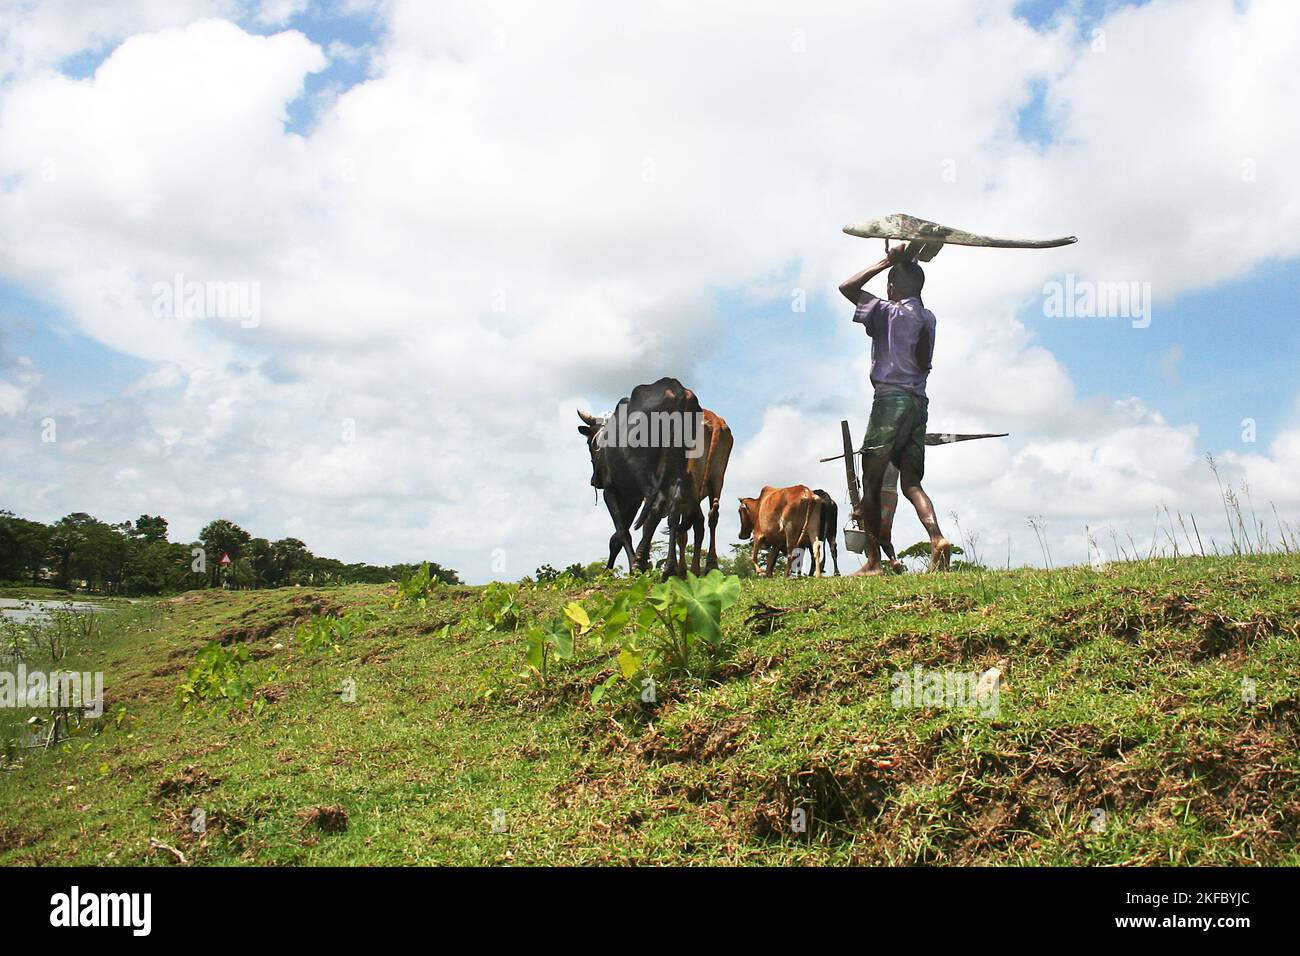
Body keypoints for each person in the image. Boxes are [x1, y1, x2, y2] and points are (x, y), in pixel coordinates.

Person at [838, 244, 952, 575]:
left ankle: (873, 561)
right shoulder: (928, 318)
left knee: (871, 484)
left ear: (892, 287)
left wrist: (887, 260)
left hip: (890, 402)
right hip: (919, 404)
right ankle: (937, 538)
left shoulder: (887, 312)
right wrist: (905, 262)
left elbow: (847, 287)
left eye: (889, 283)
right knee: (911, 482)